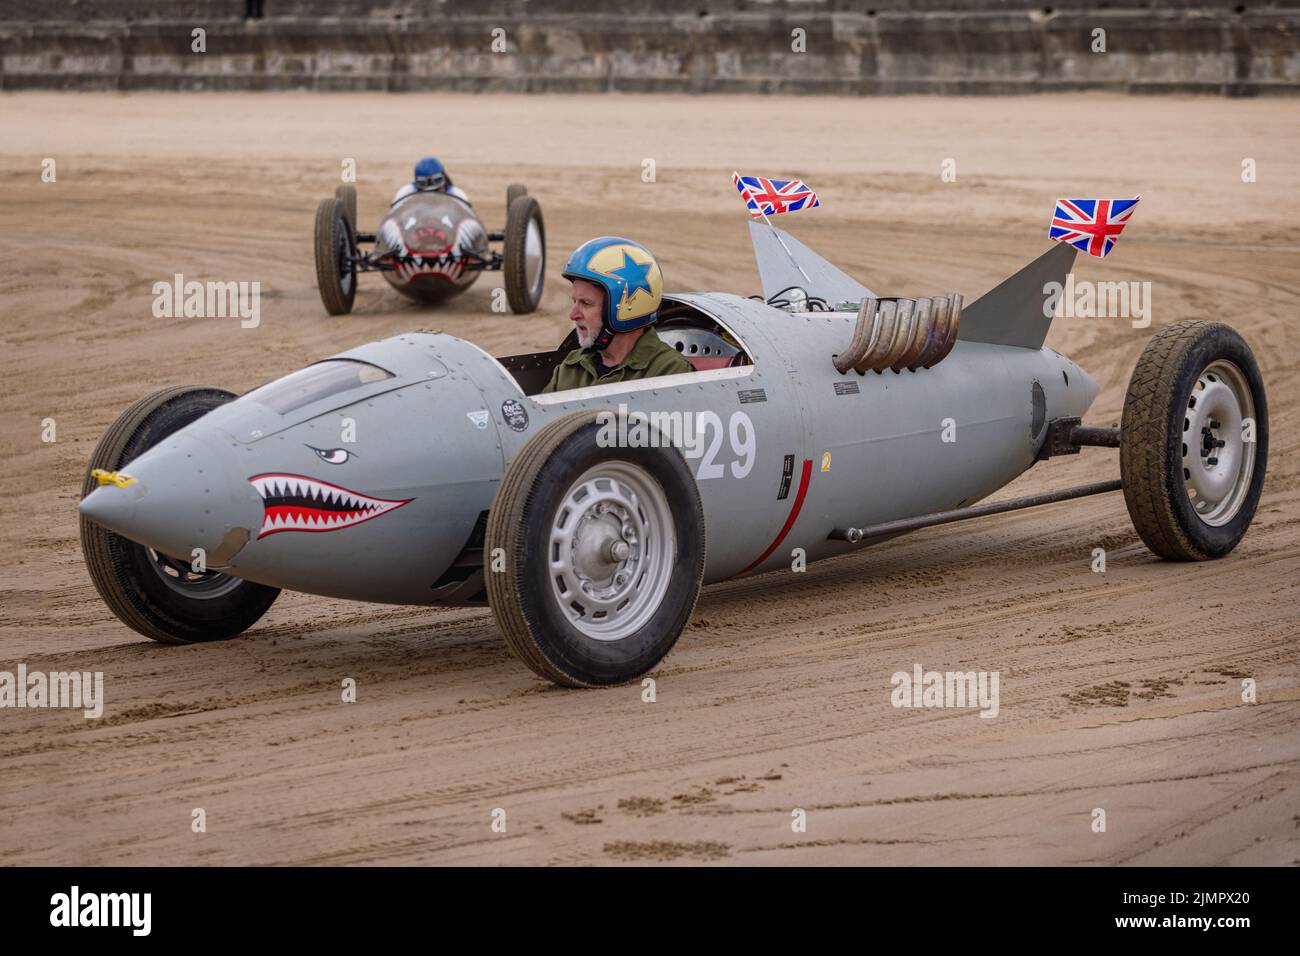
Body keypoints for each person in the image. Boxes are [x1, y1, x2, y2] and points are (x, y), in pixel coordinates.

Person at [542, 237, 694, 393]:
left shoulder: (669, 373)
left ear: (628, 308)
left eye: (586, 303)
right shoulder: (571, 369)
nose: (573, 314)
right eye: (574, 301)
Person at [390, 156, 471, 207]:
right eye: (425, 192)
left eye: (437, 190)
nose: (432, 195)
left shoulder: (457, 195)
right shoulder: (405, 194)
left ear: (444, 180)